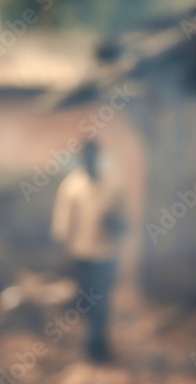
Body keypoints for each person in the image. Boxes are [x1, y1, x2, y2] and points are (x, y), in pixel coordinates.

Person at [51, 139, 126, 362]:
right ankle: (89, 347)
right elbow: (62, 227)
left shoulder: (114, 185)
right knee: (86, 304)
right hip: (81, 256)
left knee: (103, 303)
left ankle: (99, 346)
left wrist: (115, 224)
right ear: (81, 159)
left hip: (106, 256)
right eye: (86, 156)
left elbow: (123, 225)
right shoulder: (71, 187)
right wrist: (67, 258)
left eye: (93, 155)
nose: (90, 160)